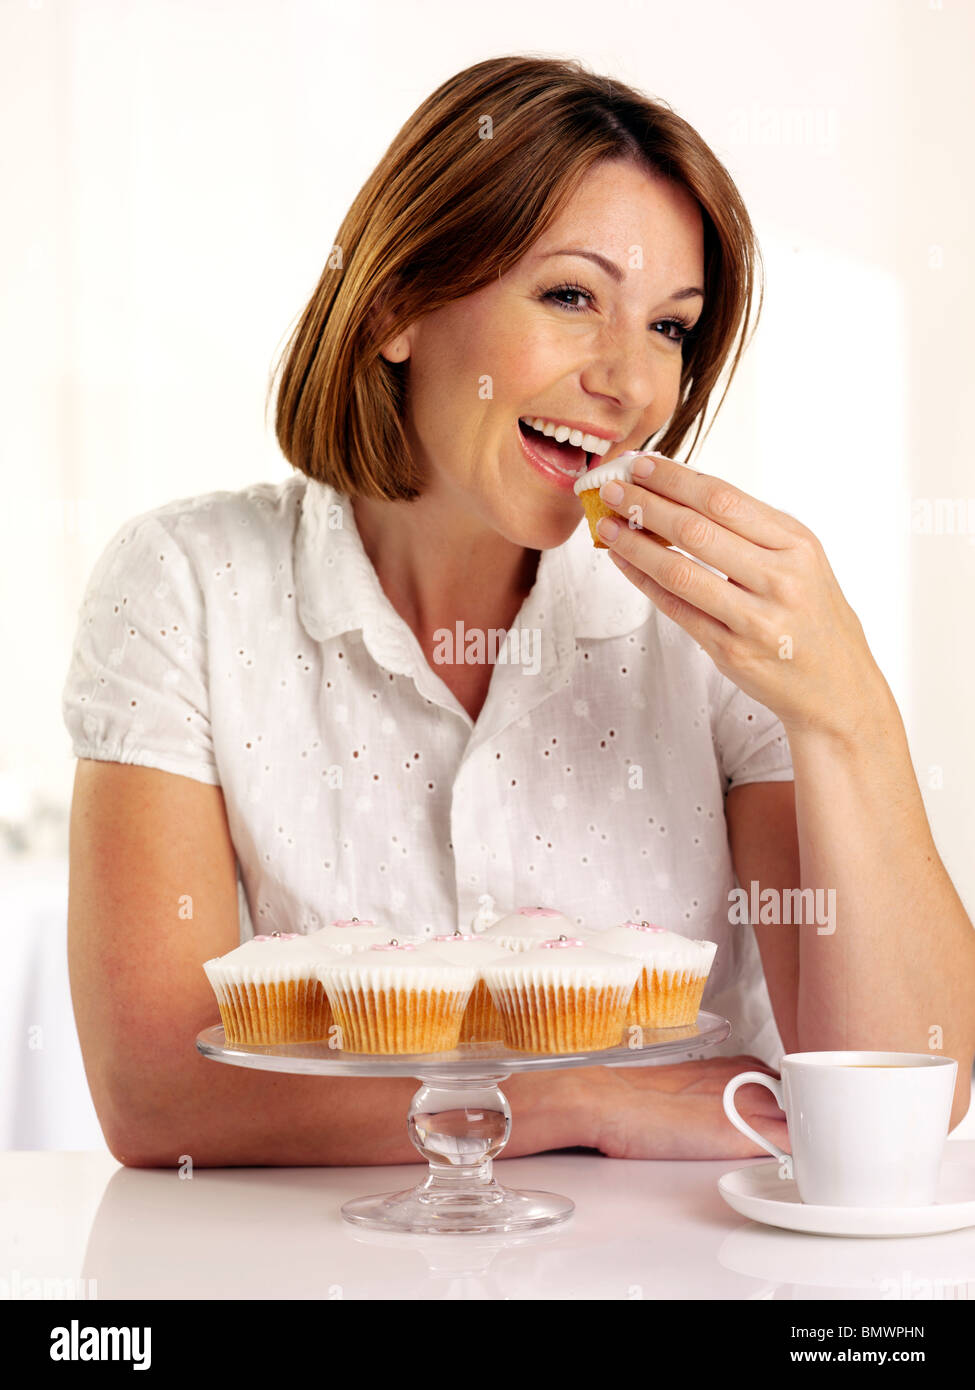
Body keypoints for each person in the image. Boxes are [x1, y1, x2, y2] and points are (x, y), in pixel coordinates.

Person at [62, 55, 975, 1169]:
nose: (634, 385)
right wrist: (583, 1100)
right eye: (572, 296)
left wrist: (850, 712)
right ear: (398, 303)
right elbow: (159, 1100)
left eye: (671, 328)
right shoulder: (186, 586)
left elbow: (901, 1098)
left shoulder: (712, 622)